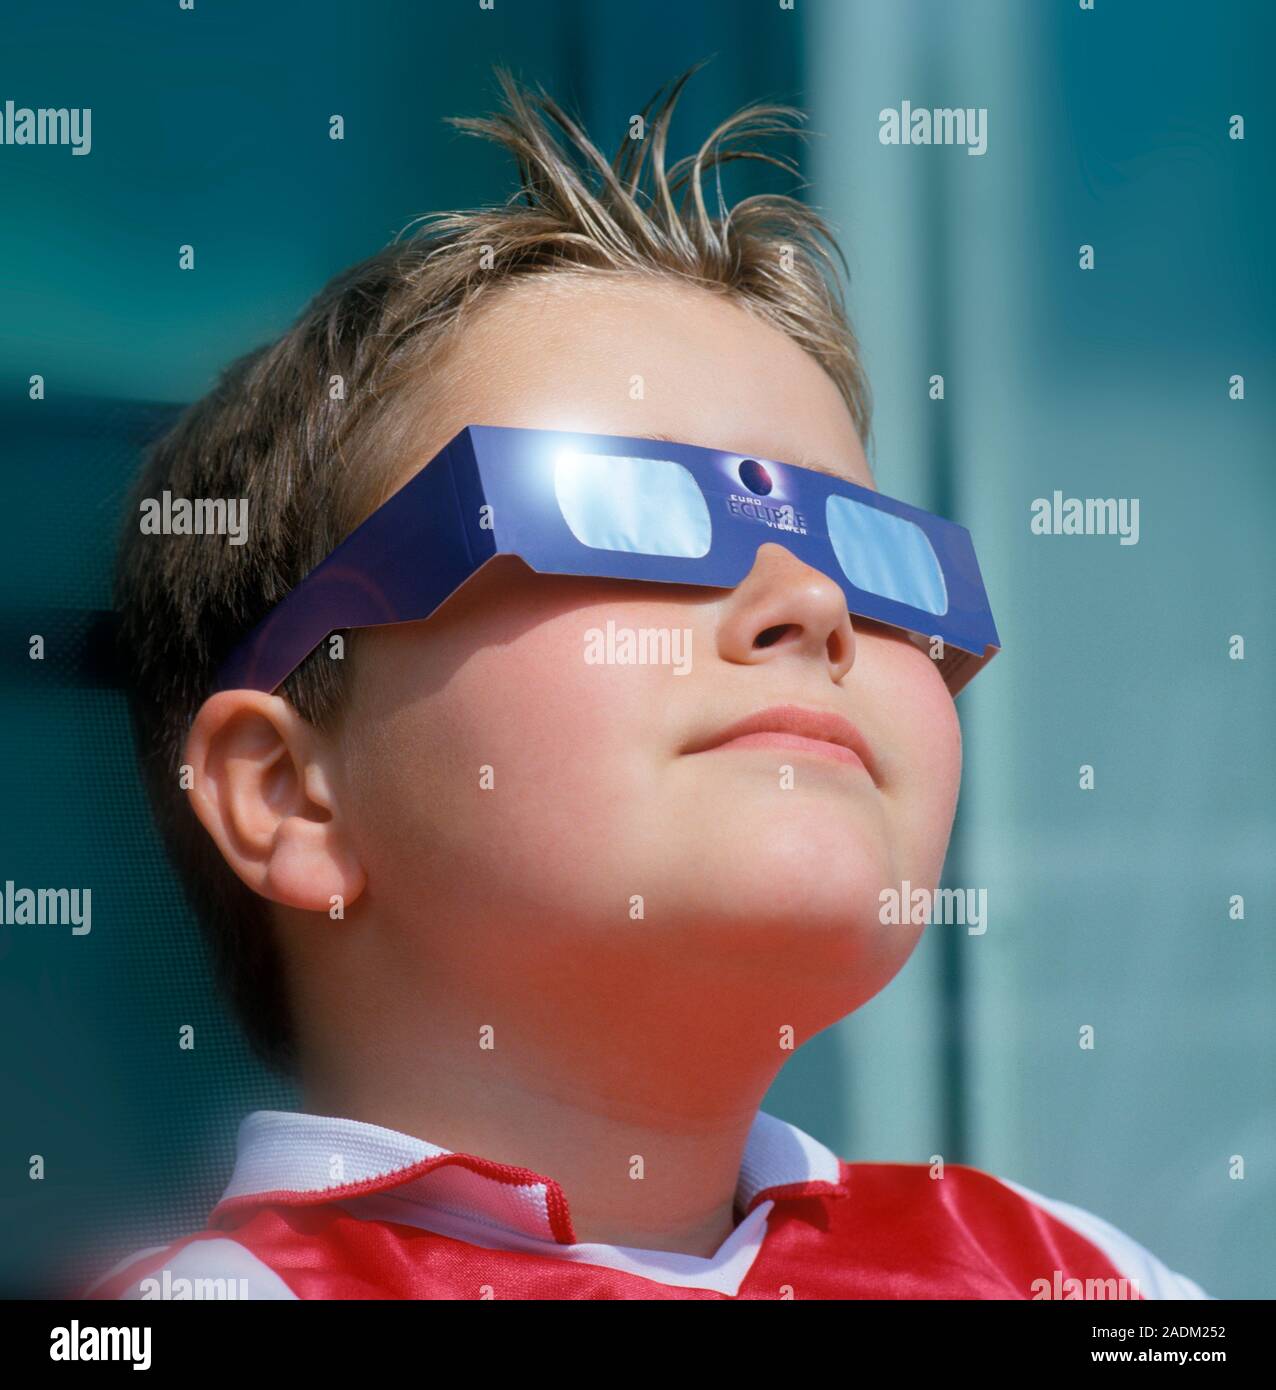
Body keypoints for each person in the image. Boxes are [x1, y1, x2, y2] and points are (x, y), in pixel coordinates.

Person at [90, 63, 1209, 1300]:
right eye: (629, 511)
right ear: (292, 792)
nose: (815, 603)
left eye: (876, 556)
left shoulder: (1087, 1278)